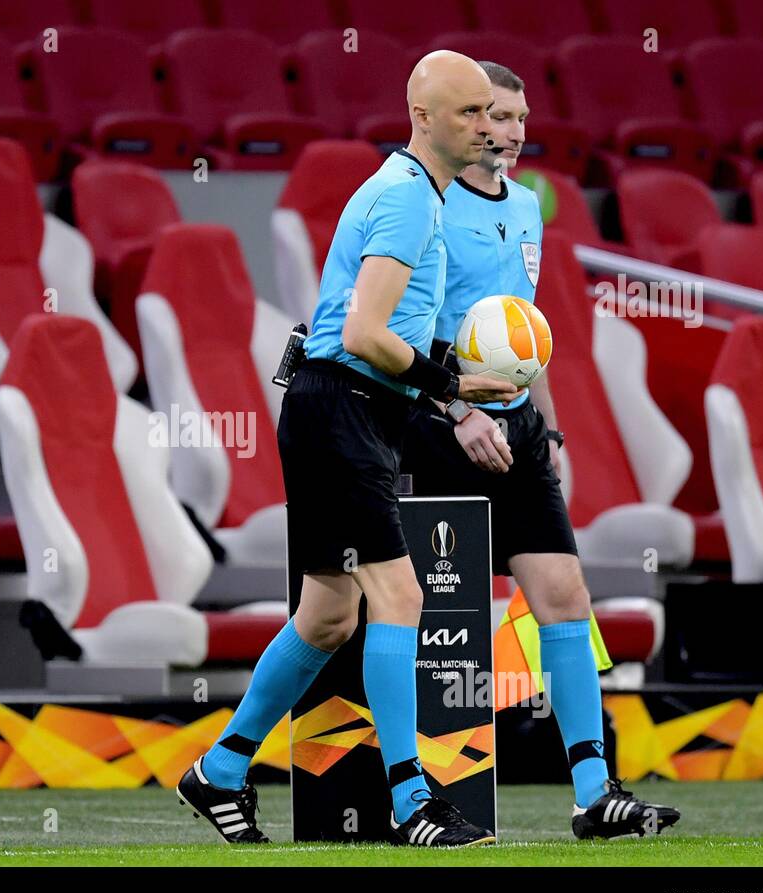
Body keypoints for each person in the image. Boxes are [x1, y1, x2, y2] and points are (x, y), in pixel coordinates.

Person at [177, 51, 520, 847]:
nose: (484, 126)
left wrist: (450, 376)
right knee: (400, 600)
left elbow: (381, 329)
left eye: (487, 112)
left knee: (328, 616)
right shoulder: (406, 199)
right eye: (468, 113)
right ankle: (412, 804)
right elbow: (365, 334)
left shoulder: (416, 197)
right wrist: (453, 386)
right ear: (423, 116)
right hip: (343, 408)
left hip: (349, 408)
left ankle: (219, 770)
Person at [402, 61, 680, 839]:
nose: (515, 132)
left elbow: (526, 333)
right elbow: (402, 327)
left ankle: (594, 794)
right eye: (499, 116)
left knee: (563, 596)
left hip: (516, 431)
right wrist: (458, 409)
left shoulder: (527, 208)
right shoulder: (423, 203)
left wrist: (548, 430)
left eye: (523, 119)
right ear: (466, 120)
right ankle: (414, 789)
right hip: (438, 425)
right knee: (422, 618)